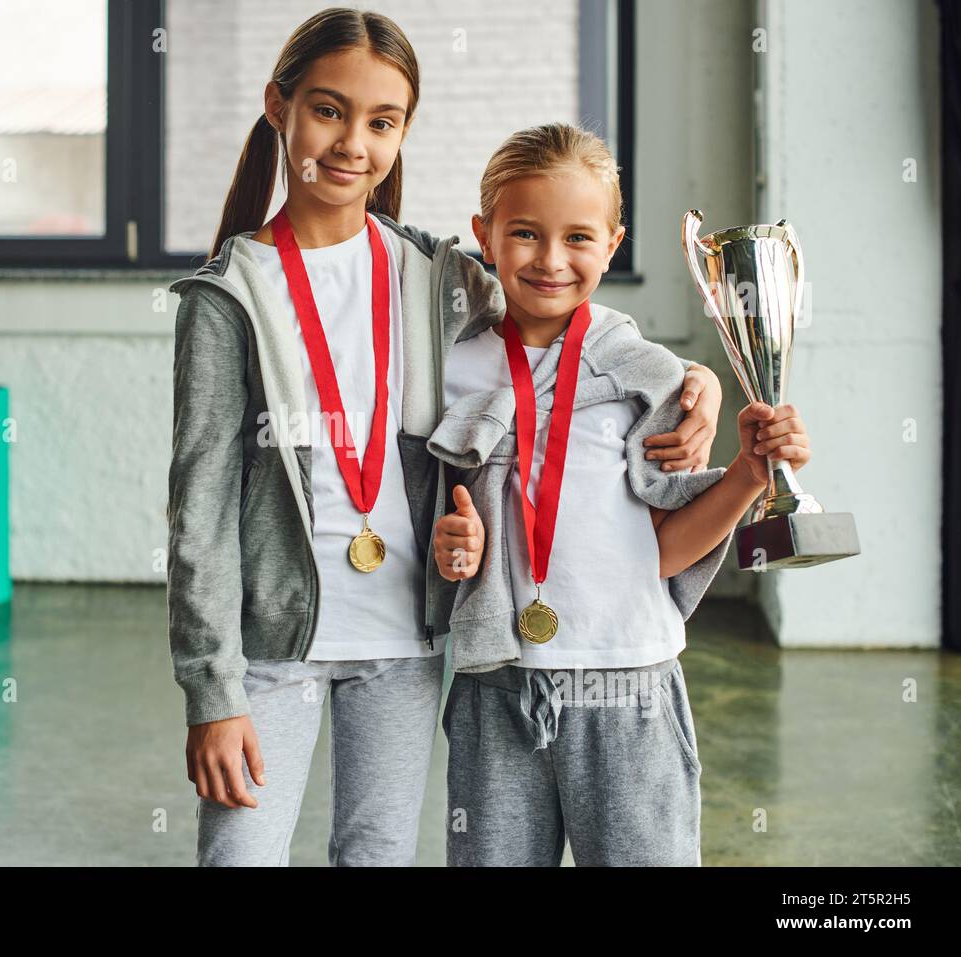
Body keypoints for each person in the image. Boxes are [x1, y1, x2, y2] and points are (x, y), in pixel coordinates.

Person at [167, 9, 722, 866]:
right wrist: (212, 688)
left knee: (378, 852)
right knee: (239, 852)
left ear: (402, 133)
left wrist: (699, 381)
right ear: (278, 107)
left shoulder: (438, 275)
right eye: (327, 110)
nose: (353, 142)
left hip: (405, 637)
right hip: (275, 640)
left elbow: (565, 320)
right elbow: (198, 508)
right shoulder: (228, 296)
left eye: (382, 122)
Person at [430, 123, 812, 866]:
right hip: (495, 688)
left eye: (579, 237)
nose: (550, 259)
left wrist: (749, 474)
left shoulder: (647, 374)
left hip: (628, 683)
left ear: (613, 243)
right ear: (485, 234)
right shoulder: (450, 365)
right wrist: (453, 547)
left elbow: (662, 550)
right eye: (526, 233)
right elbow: (433, 514)